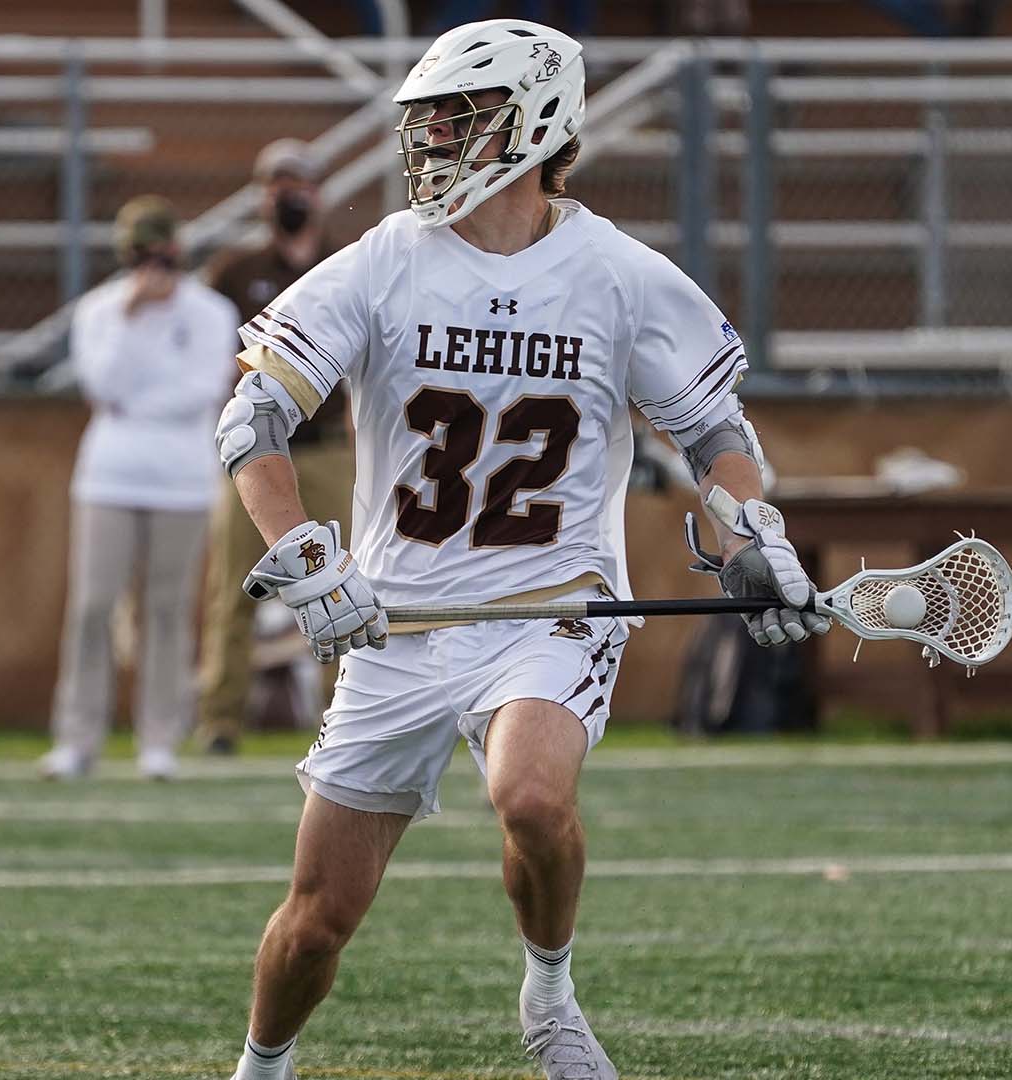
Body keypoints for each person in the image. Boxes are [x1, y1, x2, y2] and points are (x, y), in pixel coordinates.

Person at [213, 20, 831, 1080]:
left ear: (535, 123)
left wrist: (752, 532)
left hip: (552, 605)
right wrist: (308, 557)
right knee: (316, 923)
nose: (434, 142)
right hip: (395, 623)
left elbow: (716, 434)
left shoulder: (620, 275)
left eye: (459, 119)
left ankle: (549, 994)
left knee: (532, 799)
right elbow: (251, 421)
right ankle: (261, 1066)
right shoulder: (385, 262)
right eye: (430, 122)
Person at [40, 196, 240, 781]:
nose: (154, 268)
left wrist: (140, 402)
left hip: (181, 477)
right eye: (142, 255)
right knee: (93, 606)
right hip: (109, 473)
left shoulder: (210, 311)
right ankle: (77, 738)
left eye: (162, 253)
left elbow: (203, 388)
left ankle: (159, 738)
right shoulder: (102, 309)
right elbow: (101, 384)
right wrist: (131, 317)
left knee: (168, 608)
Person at [196, 139, 354, 755]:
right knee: (231, 586)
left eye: (297, 183)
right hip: (255, 452)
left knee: (339, 579)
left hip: (325, 446)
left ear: (317, 193)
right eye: (275, 184)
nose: (286, 195)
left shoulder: (341, 266)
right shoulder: (234, 271)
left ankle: (343, 715)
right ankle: (220, 720)